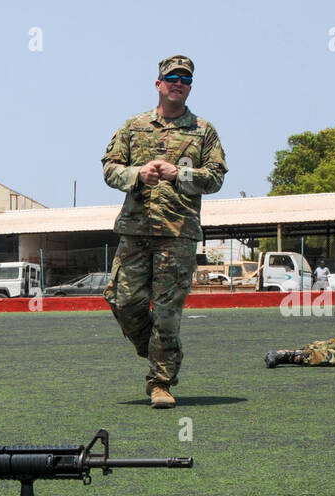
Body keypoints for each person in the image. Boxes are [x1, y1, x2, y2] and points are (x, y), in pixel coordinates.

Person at [102, 55, 226, 409]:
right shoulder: (132, 127)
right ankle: (156, 348)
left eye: (185, 79)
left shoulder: (203, 131)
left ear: (190, 87)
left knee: (167, 313)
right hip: (136, 230)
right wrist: (137, 174)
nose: (178, 83)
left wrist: (180, 175)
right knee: (122, 302)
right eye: (171, 77)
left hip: (178, 233)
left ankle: (161, 382)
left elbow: (215, 177)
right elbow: (110, 169)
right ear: (158, 83)